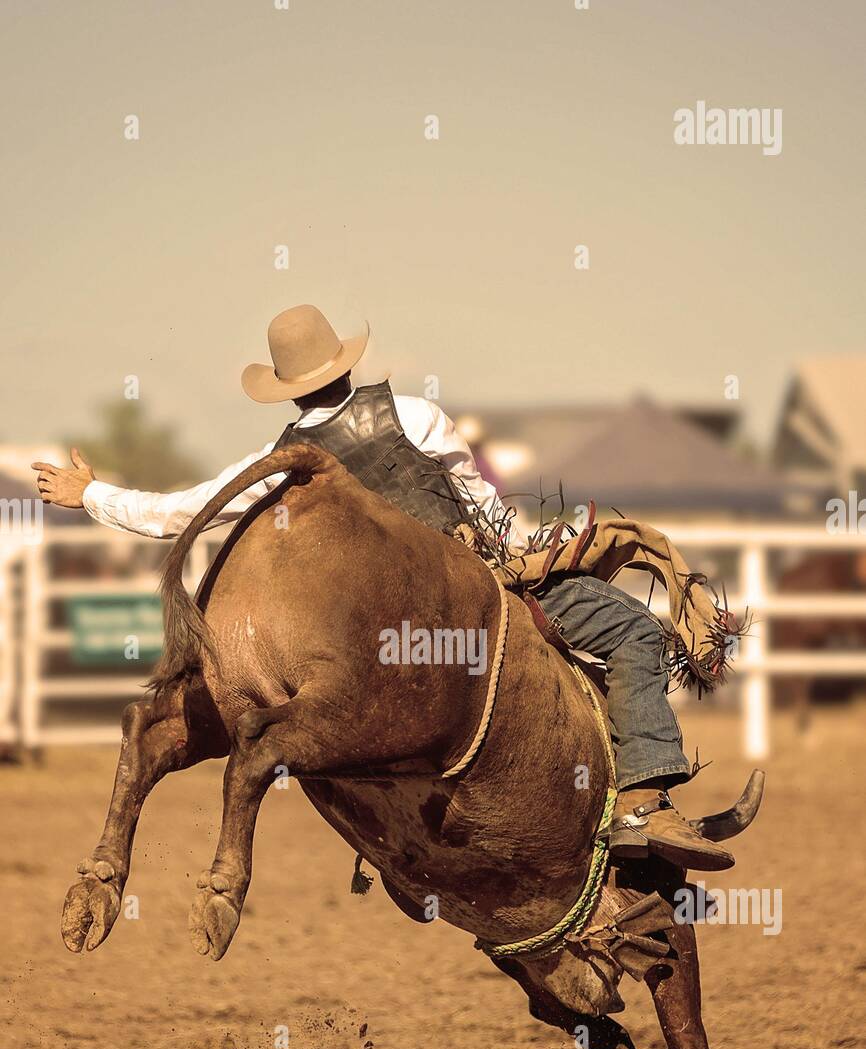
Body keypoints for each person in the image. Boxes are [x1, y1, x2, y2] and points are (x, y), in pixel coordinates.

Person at [33, 304, 731, 871]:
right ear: (345, 364)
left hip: (370, 638)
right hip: (473, 588)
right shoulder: (417, 419)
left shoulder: (281, 465)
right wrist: (545, 552)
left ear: (286, 386)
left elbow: (182, 511)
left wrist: (91, 492)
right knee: (634, 630)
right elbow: (486, 514)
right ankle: (642, 796)